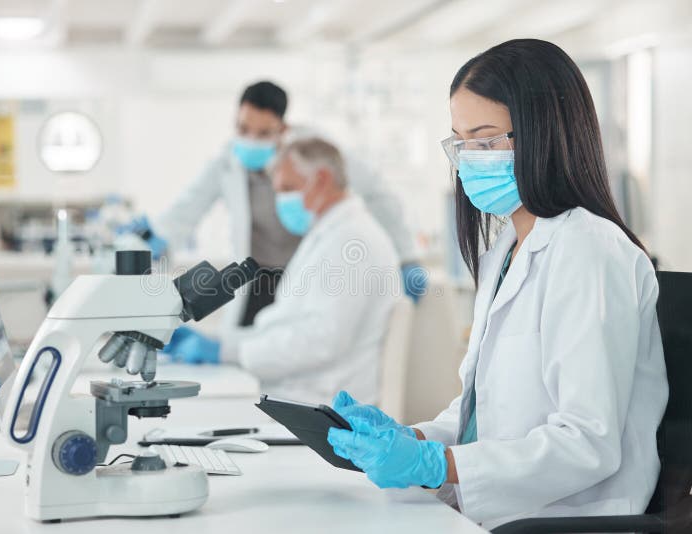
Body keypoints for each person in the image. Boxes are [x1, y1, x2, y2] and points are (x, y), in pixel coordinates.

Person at [326, 38, 668, 529]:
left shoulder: (591, 251)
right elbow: (483, 417)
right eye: (461, 142)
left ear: (544, 134)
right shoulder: (505, 251)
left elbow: (587, 441)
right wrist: (412, 439)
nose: (470, 159)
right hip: (505, 512)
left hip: (568, 519)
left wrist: (437, 464)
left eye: (486, 141)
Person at [126, 81, 425, 333]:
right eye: (243, 129)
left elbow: (376, 191)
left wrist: (406, 255)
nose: (250, 140)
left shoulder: (311, 152)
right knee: (252, 352)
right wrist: (160, 236)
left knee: (297, 349)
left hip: (307, 274)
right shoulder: (227, 161)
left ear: (283, 128)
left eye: (263, 133)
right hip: (256, 280)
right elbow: (189, 205)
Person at [162, 137, 400, 404]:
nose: (281, 202)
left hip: (323, 405)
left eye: (288, 189)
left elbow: (320, 342)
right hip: (300, 392)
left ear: (321, 179)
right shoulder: (329, 234)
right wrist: (221, 342)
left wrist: (228, 352)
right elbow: (286, 326)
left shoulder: (352, 242)